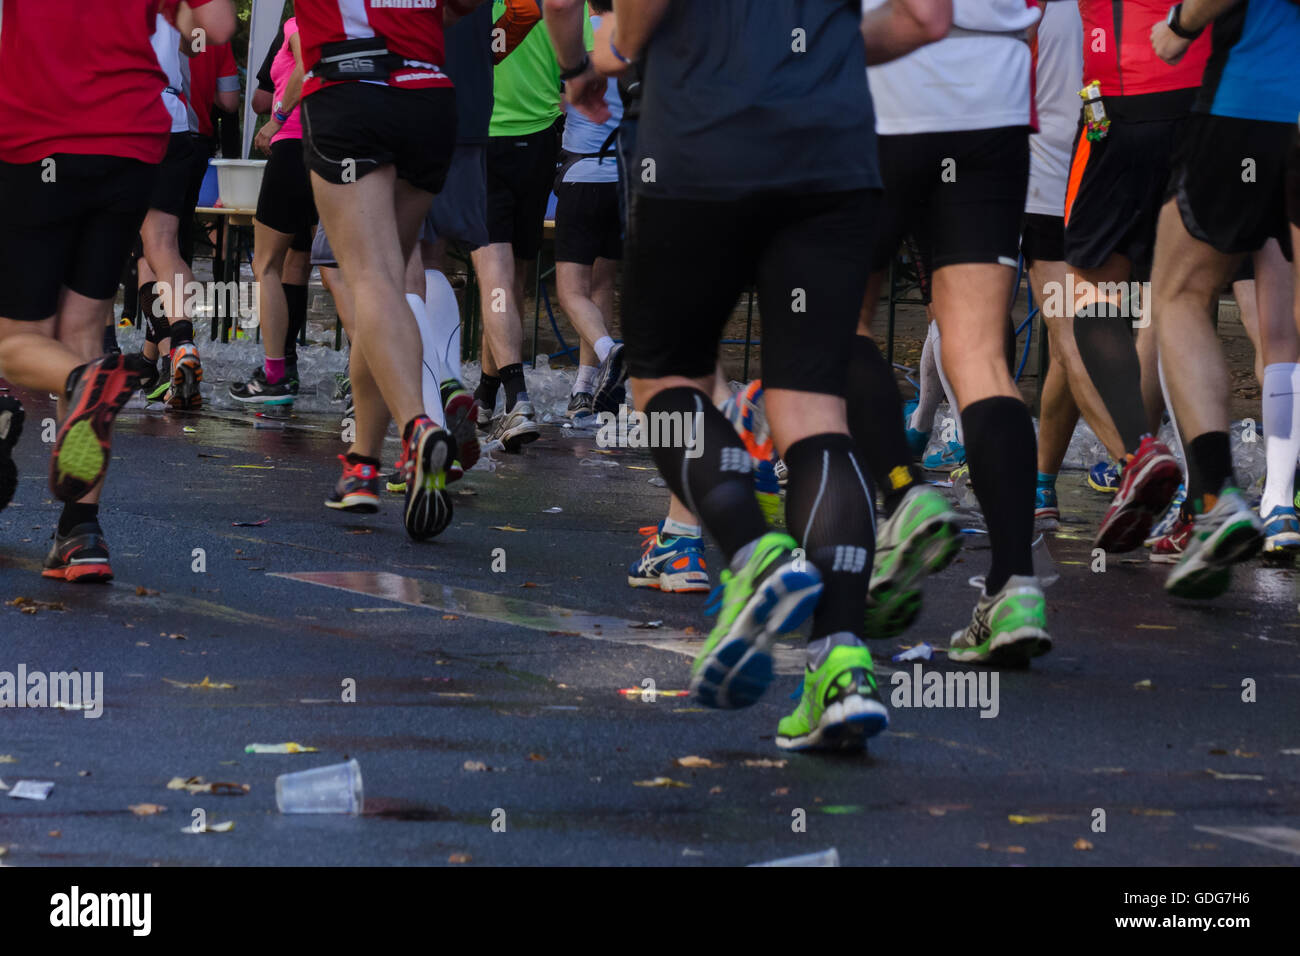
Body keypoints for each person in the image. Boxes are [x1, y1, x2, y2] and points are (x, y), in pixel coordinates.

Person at [583, 0, 951, 751]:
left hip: (698, 140)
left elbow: (625, 16)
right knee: (813, 409)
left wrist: (614, 47)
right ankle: (841, 665)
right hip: (832, 151)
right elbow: (924, 18)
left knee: (665, 379)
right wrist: (831, 52)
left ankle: (754, 553)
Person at [0, 0, 235, 582]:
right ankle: (81, 533)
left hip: (37, 133)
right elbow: (218, 27)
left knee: (14, 340)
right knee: (84, 328)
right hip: (132, 140)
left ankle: (84, 383)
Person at [296, 0, 484, 540]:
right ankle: (361, 466)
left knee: (372, 279)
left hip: (349, 86)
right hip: (427, 97)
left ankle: (418, 428)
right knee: (386, 285)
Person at [1149, 0, 1300, 597]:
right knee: (1286, 322)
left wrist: (1181, 24)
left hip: (1256, 100)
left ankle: (1218, 497)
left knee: (1177, 294)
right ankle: (1279, 501)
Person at [228, 16, 317, 407]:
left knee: (265, 265)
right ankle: (361, 376)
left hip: (294, 144)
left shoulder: (300, 22)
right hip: (330, 147)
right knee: (329, 269)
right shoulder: (345, 22)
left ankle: (275, 375)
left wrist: (275, 120)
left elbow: (304, 66)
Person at [135, 10, 211, 411]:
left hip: (127, 117)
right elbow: (195, 43)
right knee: (164, 247)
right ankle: (180, 345)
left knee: (140, 250)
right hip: (175, 119)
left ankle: (158, 357)